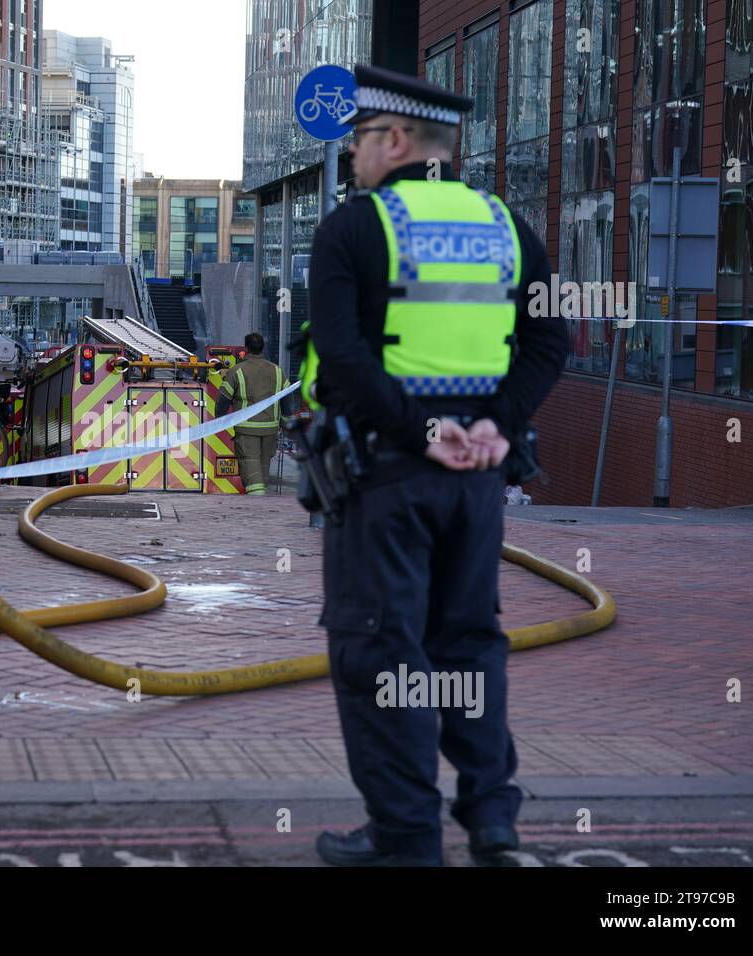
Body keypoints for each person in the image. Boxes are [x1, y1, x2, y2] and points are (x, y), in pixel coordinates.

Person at [306, 65, 570, 865]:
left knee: (381, 650)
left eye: (360, 139)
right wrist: (495, 425)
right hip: (479, 484)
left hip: (387, 478)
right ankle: (492, 820)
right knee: (468, 643)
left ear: (394, 140)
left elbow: (343, 358)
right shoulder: (506, 227)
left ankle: (406, 836)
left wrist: (421, 431)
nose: (354, 157)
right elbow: (550, 340)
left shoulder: (354, 229)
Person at [215, 333, 294, 495]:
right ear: (262, 348)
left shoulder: (237, 371)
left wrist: (219, 421)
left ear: (246, 348)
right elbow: (287, 400)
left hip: (247, 430)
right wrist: (286, 423)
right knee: (263, 471)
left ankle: (256, 504)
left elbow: (223, 400)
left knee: (252, 473)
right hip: (270, 430)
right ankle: (262, 501)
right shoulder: (277, 371)